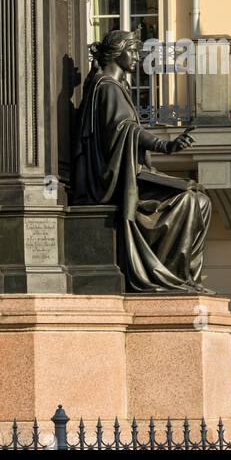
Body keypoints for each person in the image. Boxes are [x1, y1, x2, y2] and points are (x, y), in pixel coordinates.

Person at [73, 29, 212, 293]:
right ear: (117, 53)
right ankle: (171, 276)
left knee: (200, 200)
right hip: (114, 182)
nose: (138, 57)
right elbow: (125, 129)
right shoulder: (107, 88)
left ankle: (184, 277)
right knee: (191, 202)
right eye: (133, 50)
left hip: (130, 174)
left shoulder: (113, 87)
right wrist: (166, 145)